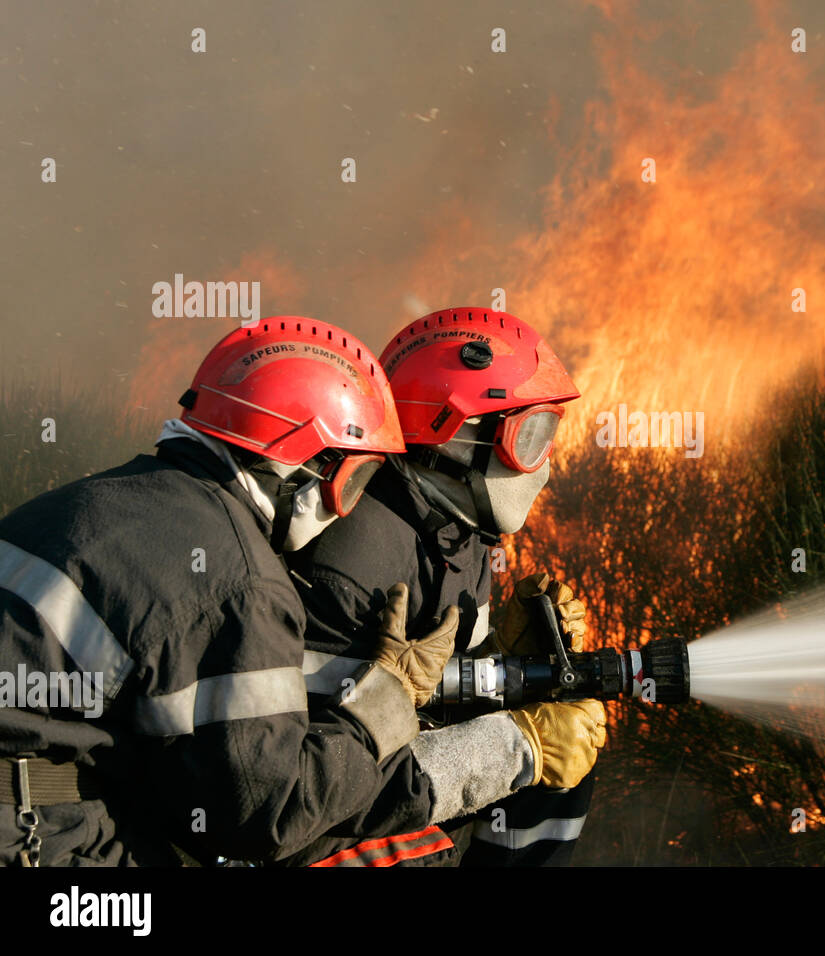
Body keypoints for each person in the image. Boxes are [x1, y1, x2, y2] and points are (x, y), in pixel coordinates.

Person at [0, 318, 455, 866]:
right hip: (34, 832)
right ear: (304, 462)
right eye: (354, 481)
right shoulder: (240, 579)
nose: (344, 511)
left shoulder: (86, 501)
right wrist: (382, 706)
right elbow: (263, 815)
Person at [285, 307, 605, 866]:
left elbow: (430, 704)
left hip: (389, 800)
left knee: (563, 754)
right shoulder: (355, 556)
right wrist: (516, 745)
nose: (543, 469)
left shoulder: (459, 538)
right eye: (529, 436)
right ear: (453, 438)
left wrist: (509, 671)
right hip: (321, 837)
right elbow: (332, 789)